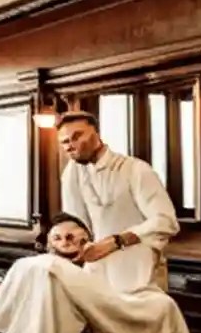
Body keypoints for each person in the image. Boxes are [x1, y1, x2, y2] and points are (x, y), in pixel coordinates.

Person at [0, 213, 194, 333]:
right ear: (47, 244)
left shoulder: (100, 263)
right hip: (61, 306)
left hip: (113, 308)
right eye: (58, 238)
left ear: (87, 240)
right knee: (42, 267)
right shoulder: (42, 266)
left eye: (73, 237)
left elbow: (114, 297)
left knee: (161, 305)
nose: (66, 242)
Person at [56, 111, 180, 294]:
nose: (70, 146)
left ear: (96, 134)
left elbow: (166, 221)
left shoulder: (136, 170)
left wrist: (115, 241)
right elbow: (75, 226)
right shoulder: (71, 174)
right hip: (96, 276)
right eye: (65, 142)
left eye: (77, 136)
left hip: (139, 275)